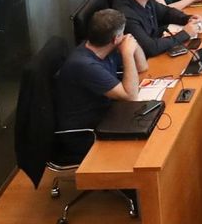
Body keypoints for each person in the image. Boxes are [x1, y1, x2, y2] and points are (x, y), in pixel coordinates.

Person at [53, 9, 144, 162]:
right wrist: (128, 53)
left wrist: (131, 43)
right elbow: (130, 96)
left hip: (106, 116)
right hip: (86, 133)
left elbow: (142, 67)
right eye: (123, 34)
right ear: (115, 39)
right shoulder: (85, 65)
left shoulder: (103, 49)